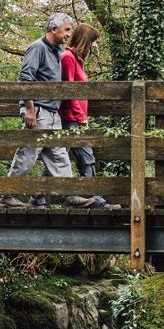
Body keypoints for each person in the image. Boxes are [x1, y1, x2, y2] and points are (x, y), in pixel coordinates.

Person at [0, 13, 75, 209]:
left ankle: (70, 194)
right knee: (28, 155)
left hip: (52, 111)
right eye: (66, 30)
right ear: (53, 29)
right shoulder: (37, 48)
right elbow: (25, 79)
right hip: (39, 110)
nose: (68, 34)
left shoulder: (56, 51)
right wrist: (30, 109)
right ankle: (7, 196)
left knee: (59, 154)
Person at [52, 23, 120, 209]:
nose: (91, 47)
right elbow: (69, 91)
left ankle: (37, 199)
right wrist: (81, 117)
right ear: (84, 41)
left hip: (75, 118)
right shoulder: (67, 58)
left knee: (59, 158)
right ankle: (97, 200)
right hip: (70, 119)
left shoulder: (76, 59)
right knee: (85, 157)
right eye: (91, 42)